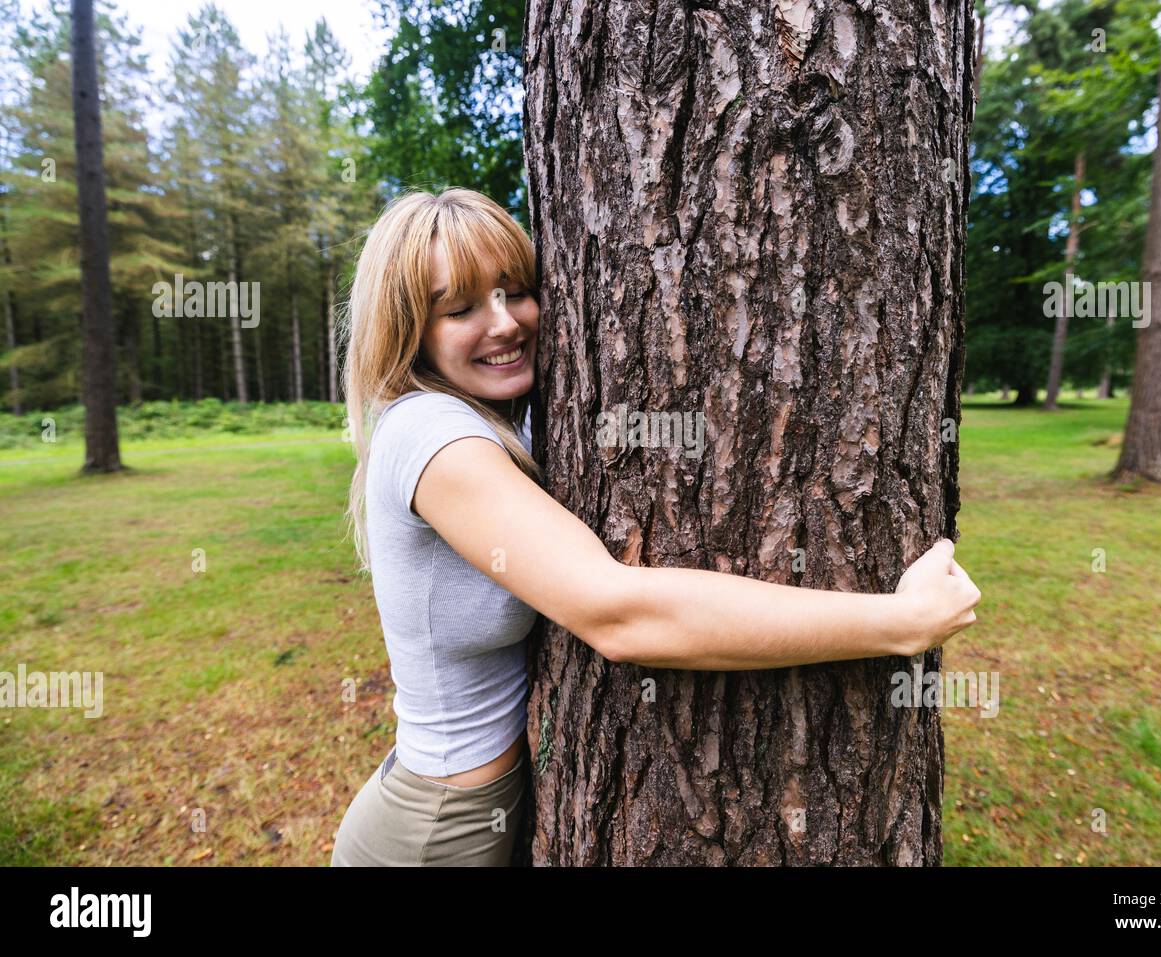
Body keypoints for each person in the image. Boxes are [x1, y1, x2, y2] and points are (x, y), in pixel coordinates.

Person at [329, 188, 981, 867]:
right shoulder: (432, 433)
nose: (505, 323)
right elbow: (619, 614)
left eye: (515, 290)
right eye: (459, 307)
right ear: (409, 326)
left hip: (468, 809)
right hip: (432, 833)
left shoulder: (493, 416)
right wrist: (898, 622)